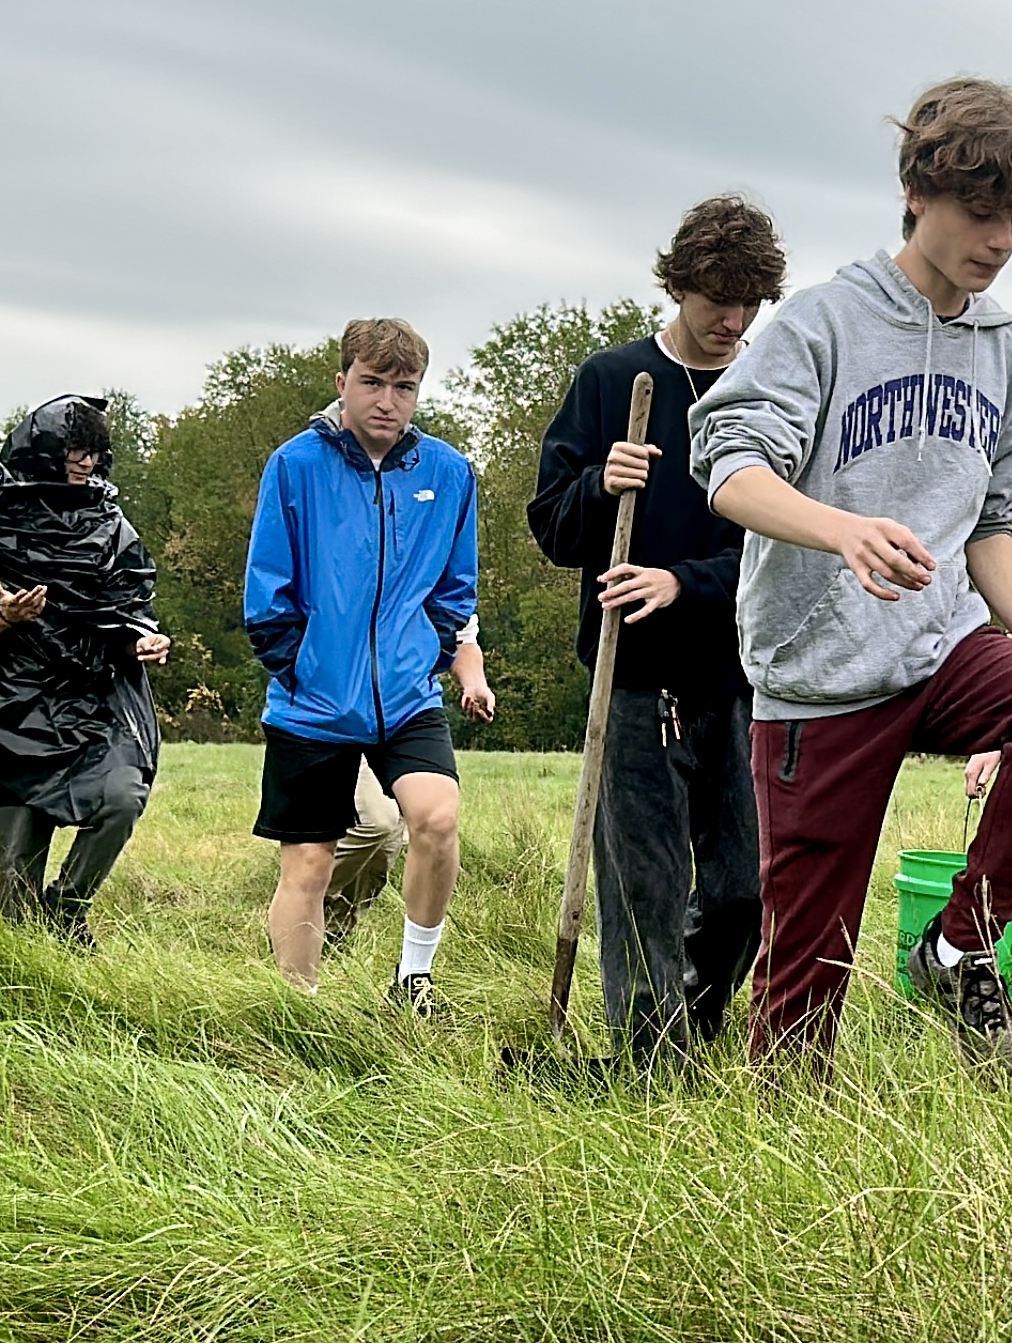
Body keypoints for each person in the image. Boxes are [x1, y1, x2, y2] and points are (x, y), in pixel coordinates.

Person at [688, 77, 1012, 1082]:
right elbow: (730, 469)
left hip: (941, 646)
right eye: (980, 211)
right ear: (917, 191)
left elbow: (992, 532)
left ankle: (960, 942)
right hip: (819, 672)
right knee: (803, 987)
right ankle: (779, 1158)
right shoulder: (823, 323)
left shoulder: (1005, 352)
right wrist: (840, 531)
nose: (999, 238)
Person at [529, 194, 789, 1060]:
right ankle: (649, 1064)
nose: (732, 318)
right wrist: (600, 482)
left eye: (749, 301)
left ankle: (699, 1014)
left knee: (742, 890)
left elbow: (780, 546)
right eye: (717, 295)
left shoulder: (771, 390)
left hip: (743, 675)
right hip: (631, 677)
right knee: (643, 886)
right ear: (678, 283)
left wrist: (682, 581)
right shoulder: (612, 383)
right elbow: (553, 528)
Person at [244, 318, 479, 1012]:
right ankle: (299, 1007)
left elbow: (455, 587)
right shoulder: (295, 465)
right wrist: (297, 664)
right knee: (310, 860)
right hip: (312, 699)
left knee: (435, 819)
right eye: (372, 382)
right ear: (341, 381)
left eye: (403, 386)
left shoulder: (449, 472)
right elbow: (267, 588)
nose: (387, 399)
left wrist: (431, 655)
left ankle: (413, 977)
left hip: (405, 697)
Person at [0, 396, 172, 946]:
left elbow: (127, 614)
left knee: (123, 800)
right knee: (15, 906)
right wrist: (2, 617)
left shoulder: (109, 526)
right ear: (44, 448)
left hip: (92, 703)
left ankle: (69, 908)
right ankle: (23, 997)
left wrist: (143, 642)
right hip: (10, 715)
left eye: (95, 453)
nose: (86, 464)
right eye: (75, 450)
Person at [325, 617, 495, 946]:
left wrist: (474, 682)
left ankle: (334, 933)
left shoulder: (441, 568)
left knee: (392, 841)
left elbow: (463, 636)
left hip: (407, 716)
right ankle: (298, 905)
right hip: (338, 709)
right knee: (377, 821)